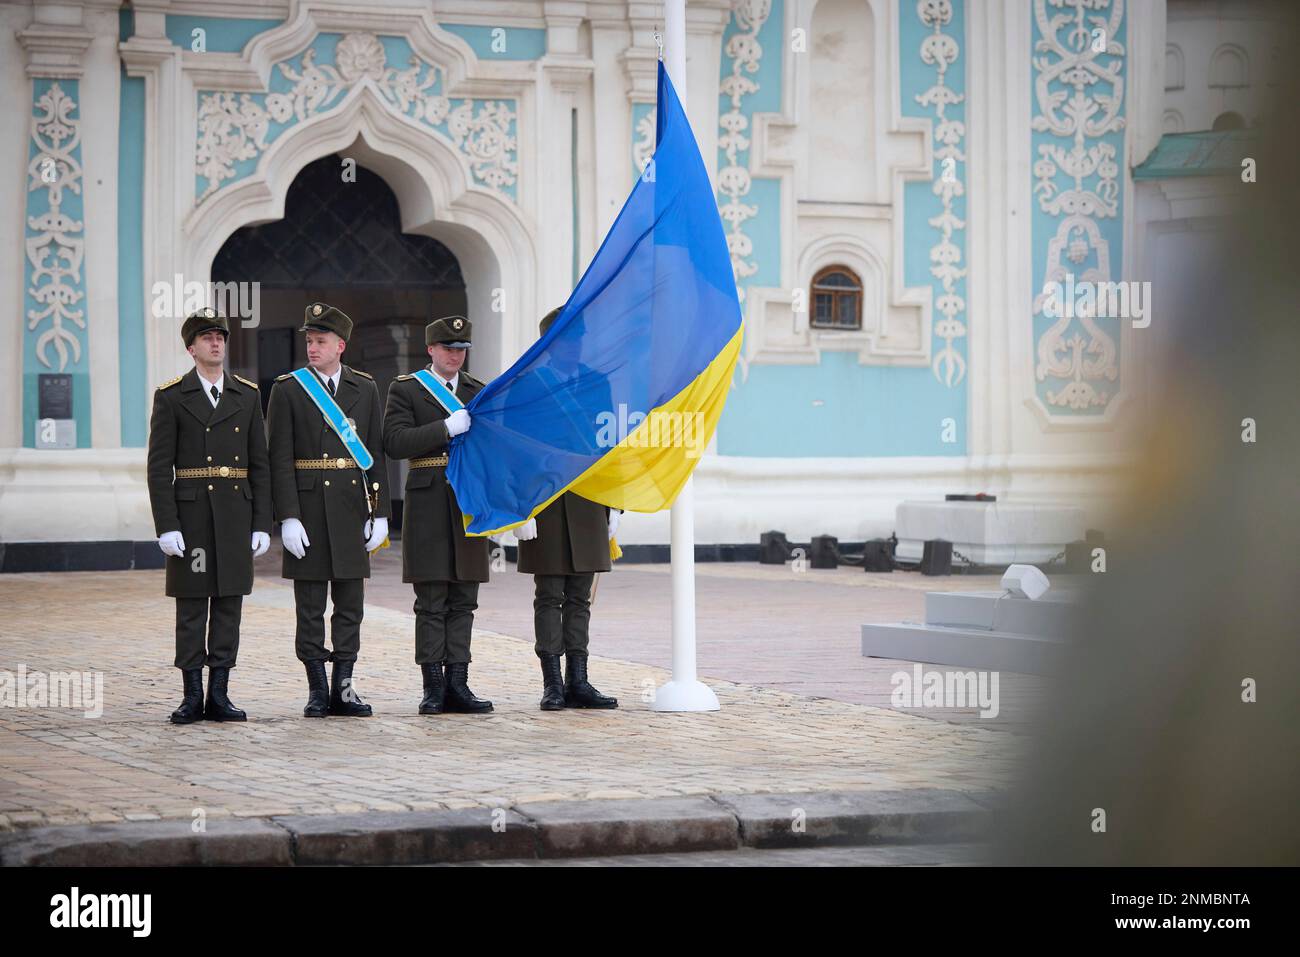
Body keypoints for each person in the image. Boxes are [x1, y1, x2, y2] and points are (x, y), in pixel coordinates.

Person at [146, 308, 272, 724]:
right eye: (206, 338)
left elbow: (260, 462)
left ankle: (220, 693)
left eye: (220, 336)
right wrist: (166, 525)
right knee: (192, 605)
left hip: (235, 514)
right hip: (193, 518)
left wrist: (261, 522)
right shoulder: (171, 396)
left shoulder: (248, 394)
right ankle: (191, 695)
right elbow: (159, 466)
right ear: (191, 348)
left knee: (228, 605)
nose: (216, 343)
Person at [265, 302, 389, 717]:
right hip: (310, 511)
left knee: (351, 605)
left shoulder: (366, 388)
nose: (312, 347)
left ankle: (345, 688)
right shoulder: (288, 388)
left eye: (320, 341)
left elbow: (373, 454)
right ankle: (318, 690)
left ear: (341, 345)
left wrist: (380, 512)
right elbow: (278, 458)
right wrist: (289, 517)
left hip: (351, 508)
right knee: (311, 606)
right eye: (309, 341)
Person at [383, 315, 494, 715]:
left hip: (468, 502)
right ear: (431, 350)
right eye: (448, 348)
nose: (456, 355)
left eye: (461, 349)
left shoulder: (478, 391)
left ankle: (458, 684)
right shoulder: (407, 389)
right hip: (428, 501)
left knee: (464, 597)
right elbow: (394, 442)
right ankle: (432, 686)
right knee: (431, 599)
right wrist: (444, 427)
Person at [515, 307, 620, 711]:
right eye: (568, 338)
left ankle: (579, 680)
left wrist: (615, 505)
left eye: (579, 337)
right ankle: (552, 683)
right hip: (546, 501)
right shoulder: (530, 387)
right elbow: (518, 451)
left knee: (580, 597)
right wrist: (521, 509)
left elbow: (607, 444)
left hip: (589, 500)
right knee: (549, 594)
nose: (576, 344)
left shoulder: (597, 384)